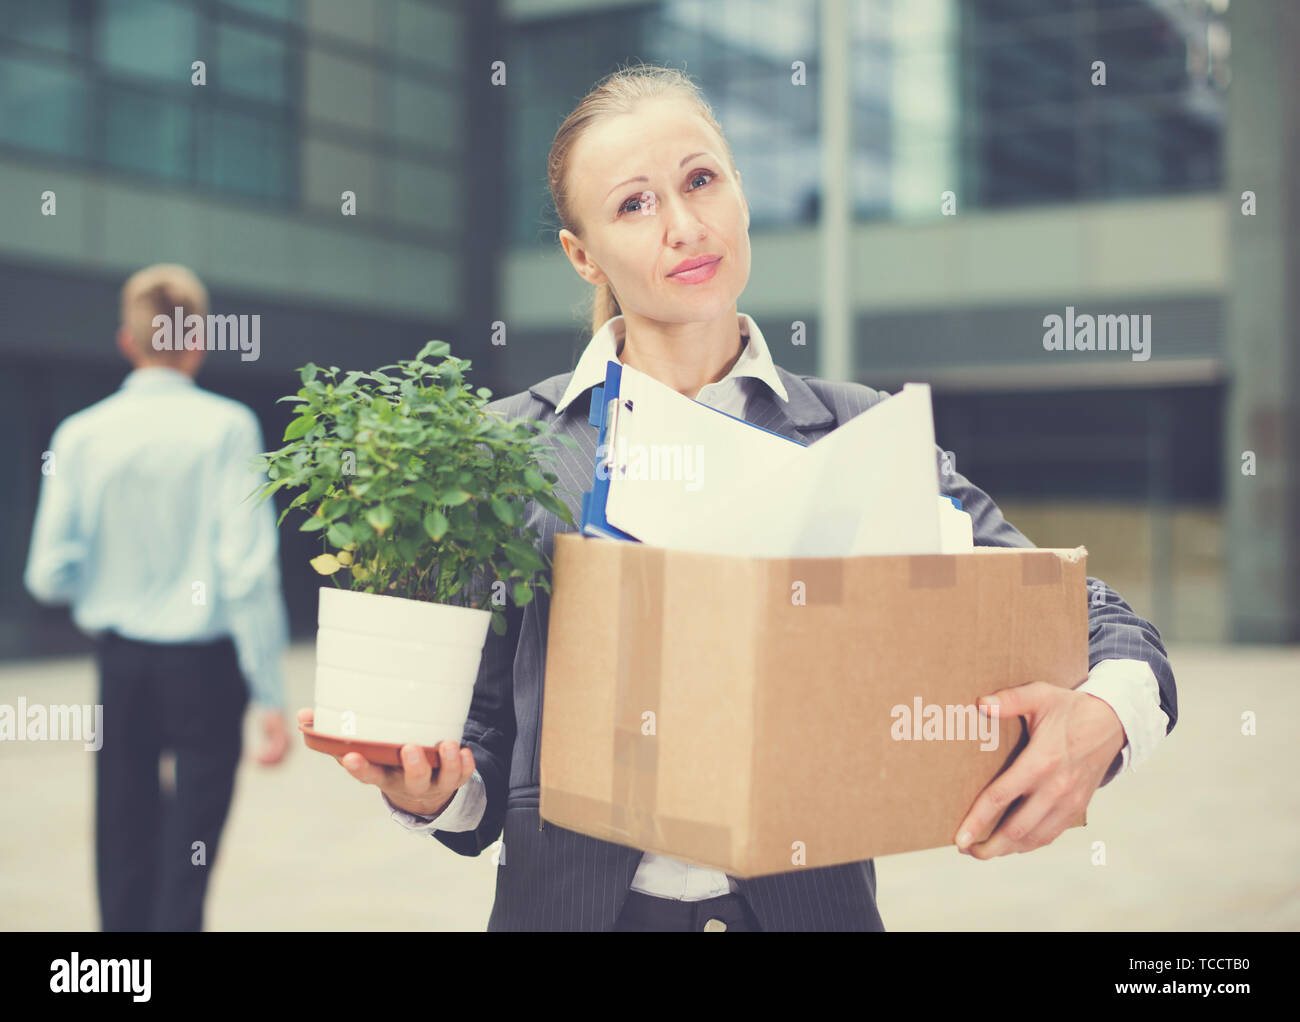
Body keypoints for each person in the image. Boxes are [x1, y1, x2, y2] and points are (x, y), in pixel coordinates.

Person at [300, 65, 1177, 931]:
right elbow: (486, 753)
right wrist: (439, 794)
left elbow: (1092, 616)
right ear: (582, 253)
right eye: (634, 205)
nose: (685, 226)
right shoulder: (506, 451)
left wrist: (1107, 716)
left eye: (701, 180)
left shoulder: (857, 434)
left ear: (741, 195)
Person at [24, 263, 291, 931]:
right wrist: (271, 695)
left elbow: (46, 575)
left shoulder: (80, 435)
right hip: (208, 670)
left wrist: (111, 583)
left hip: (122, 664)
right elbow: (247, 573)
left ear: (127, 341)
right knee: (188, 863)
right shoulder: (229, 429)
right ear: (196, 340)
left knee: (121, 842)